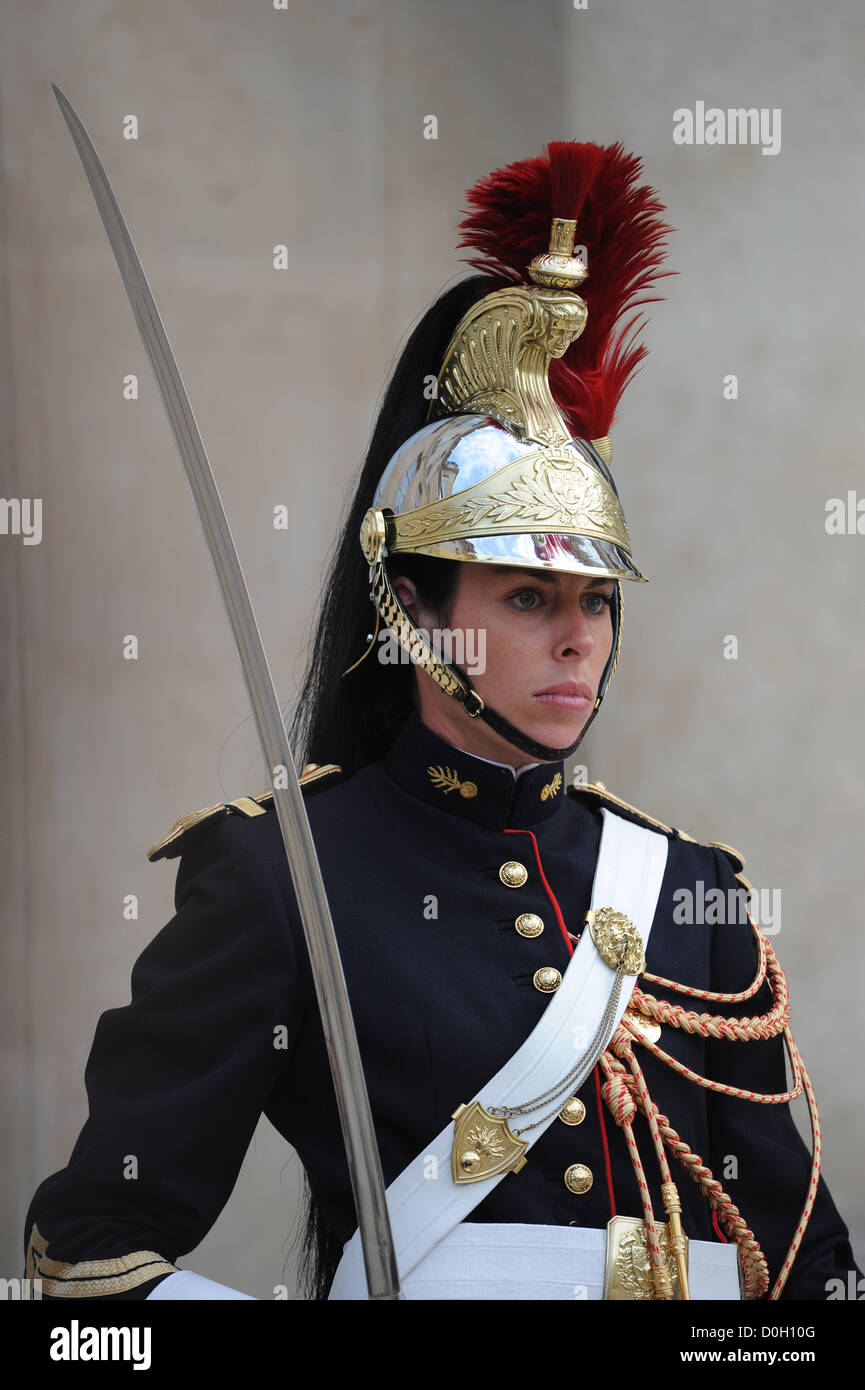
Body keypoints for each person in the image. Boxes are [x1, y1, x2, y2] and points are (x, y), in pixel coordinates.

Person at [24, 141, 859, 1302]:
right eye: (526, 597)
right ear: (410, 608)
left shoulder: (688, 894)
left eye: (595, 601)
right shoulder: (284, 878)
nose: (577, 638)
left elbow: (810, 1269)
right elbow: (81, 1269)